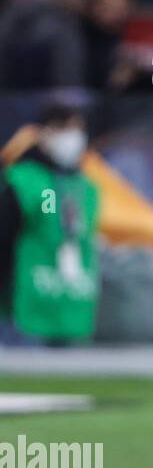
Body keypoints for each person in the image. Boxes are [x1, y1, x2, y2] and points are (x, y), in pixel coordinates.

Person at [0, 103, 99, 345]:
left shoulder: (87, 186)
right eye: (63, 128)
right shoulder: (25, 181)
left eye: (77, 128)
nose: (72, 136)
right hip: (26, 310)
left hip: (73, 309)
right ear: (43, 133)